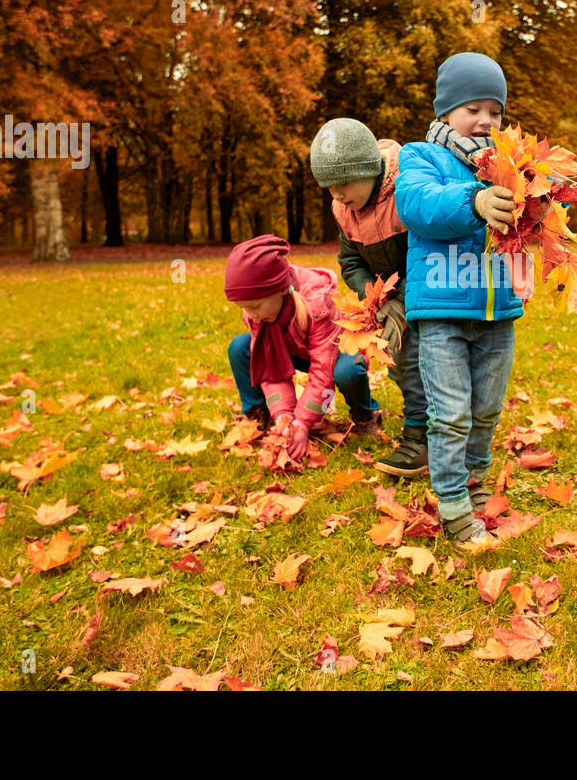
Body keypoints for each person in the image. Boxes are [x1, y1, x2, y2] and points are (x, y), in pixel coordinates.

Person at [394, 51, 525, 548]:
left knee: (487, 408)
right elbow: (418, 205)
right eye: (474, 108)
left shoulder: (510, 166)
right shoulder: (420, 157)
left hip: (497, 311)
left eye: (495, 111)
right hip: (443, 313)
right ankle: (451, 507)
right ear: (446, 111)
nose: (486, 120)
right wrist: (474, 200)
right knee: (450, 412)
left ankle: (472, 480)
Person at [308, 117, 428, 474]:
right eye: (330, 188)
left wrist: (401, 298)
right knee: (402, 363)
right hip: (386, 301)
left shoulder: (407, 191)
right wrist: (372, 296)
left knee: (424, 360)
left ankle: (424, 436)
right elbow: (349, 261)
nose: (338, 195)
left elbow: (424, 255)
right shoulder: (344, 211)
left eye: (344, 184)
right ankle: (422, 430)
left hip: (426, 292)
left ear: (370, 170)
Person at [223, 234, 381, 462]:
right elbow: (271, 367)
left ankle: (365, 414)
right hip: (295, 352)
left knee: (347, 371)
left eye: (255, 306)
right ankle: (257, 414)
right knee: (240, 346)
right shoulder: (257, 314)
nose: (251, 314)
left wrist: (303, 422)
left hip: (335, 353)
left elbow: (322, 371)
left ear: (279, 290)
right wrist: (284, 418)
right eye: (244, 308)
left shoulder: (317, 305)